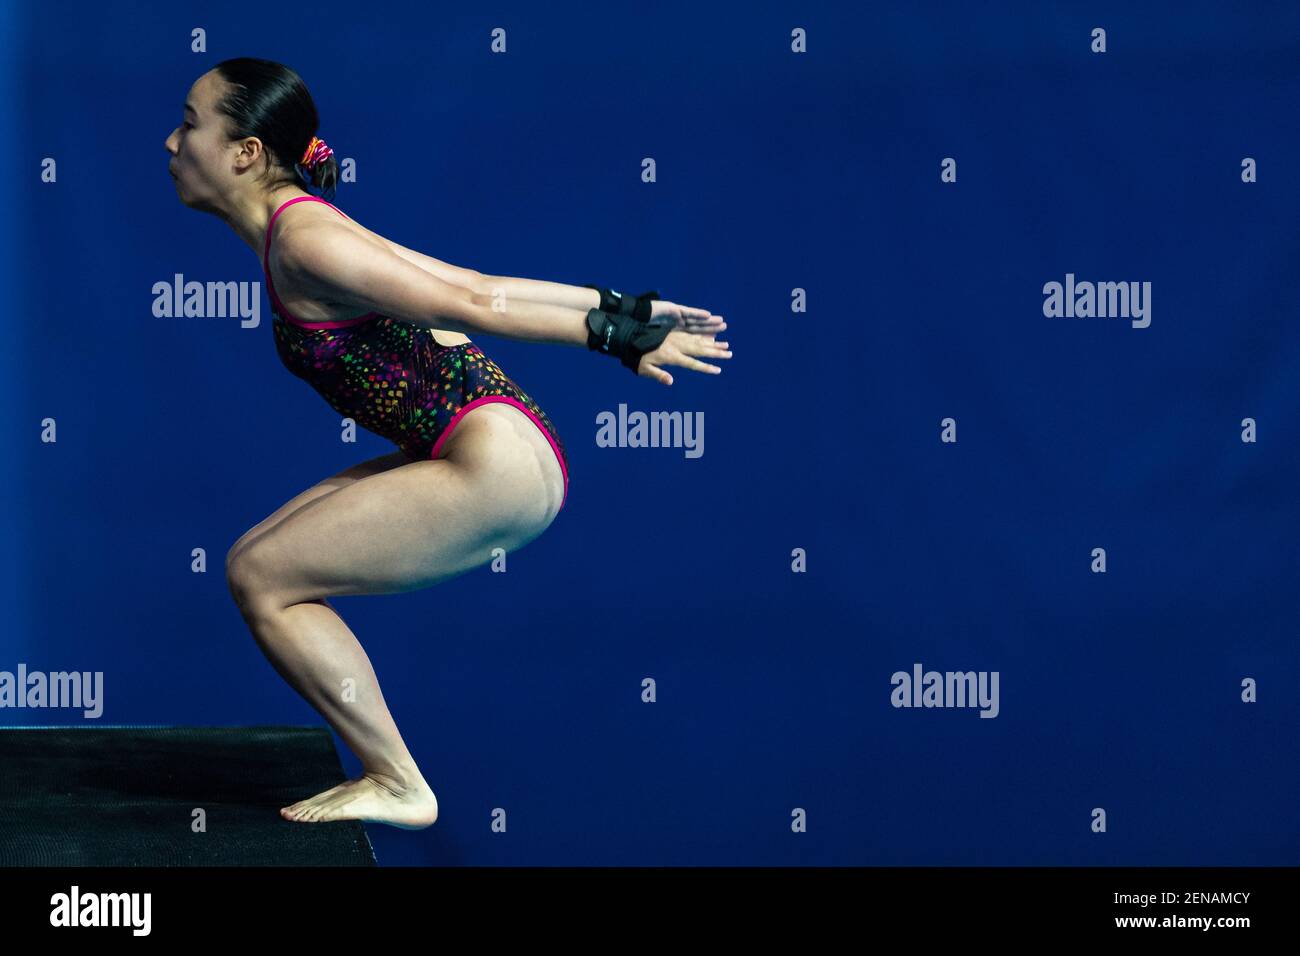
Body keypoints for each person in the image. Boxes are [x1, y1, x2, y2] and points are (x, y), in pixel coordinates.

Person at [164, 58, 732, 829]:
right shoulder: (306, 226)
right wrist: (620, 305)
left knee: (263, 577)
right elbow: (467, 277)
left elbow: (473, 299)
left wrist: (618, 336)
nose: (171, 141)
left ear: (245, 152)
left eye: (190, 123)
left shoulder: (306, 242)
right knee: (252, 565)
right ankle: (392, 776)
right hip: (493, 444)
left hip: (492, 463)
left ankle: (398, 782)